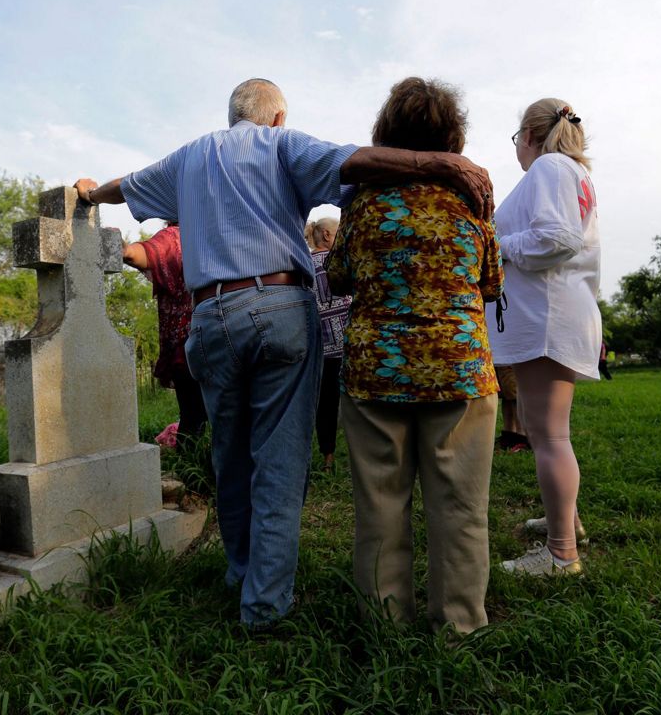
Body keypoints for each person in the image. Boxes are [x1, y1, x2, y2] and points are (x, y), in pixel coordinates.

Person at [74, 78, 494, 631]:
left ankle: (240, 573)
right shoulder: (282, 144)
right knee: (278, 459)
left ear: (232, 115)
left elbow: (125, 186)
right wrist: (443, 165)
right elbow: (358, 160)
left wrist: (88, 192)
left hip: (208, 317)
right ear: (276, 117)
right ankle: (265, 606)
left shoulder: (188, 158)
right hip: (278, 307)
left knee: (230, 455)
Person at [327, 77, 502, 634]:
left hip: (375, 374)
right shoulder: (471, 201)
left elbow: (337, 277)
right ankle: (460, 628)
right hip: (460, 372)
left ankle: (383, 627)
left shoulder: (362, 206)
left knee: (379, 508)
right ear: (453, 134)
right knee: (462, 511)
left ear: (387, 135)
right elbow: (491, 282)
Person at [492, 98, 600, 577]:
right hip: (553, 311)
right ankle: (567, 523)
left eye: (517, 139)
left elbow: (556, 239)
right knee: (546, 430)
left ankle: (561, 555)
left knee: (550, 433)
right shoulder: (568, 171)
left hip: (549, 314)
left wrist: (497, 246)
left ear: (529, 136)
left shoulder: (550, 168)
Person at [122, 222, 208, 448]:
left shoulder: (177, 235)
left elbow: (142, 255)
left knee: (193, 421)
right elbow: (144, 254)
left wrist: (126, 251)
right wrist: (127, 251)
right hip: (218, 339)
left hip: (188, 345)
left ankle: (197, 478)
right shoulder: (206, 230)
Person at [304, 217, 350, 472]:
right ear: (326, 235)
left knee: (326, 403)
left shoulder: (303, 265)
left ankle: (328, 457)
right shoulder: (339, 262)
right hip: (346, 341)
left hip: (320, 347)